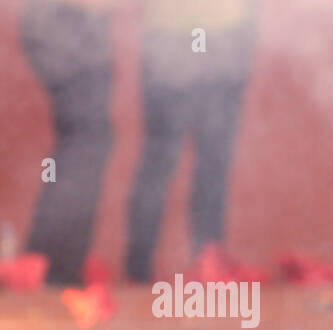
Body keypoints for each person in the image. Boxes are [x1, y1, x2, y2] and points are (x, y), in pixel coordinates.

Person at [125, 0, 257, 282]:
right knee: (203, 160)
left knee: (166, 160)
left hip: (174, 34)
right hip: (219, 32)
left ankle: (140, 268)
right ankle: (202, 265)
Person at [20, 0, 117, 287]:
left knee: (83, 141)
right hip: (69, 20)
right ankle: (53, 266)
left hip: (65, 22)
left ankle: (47, 263)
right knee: (86, 142)